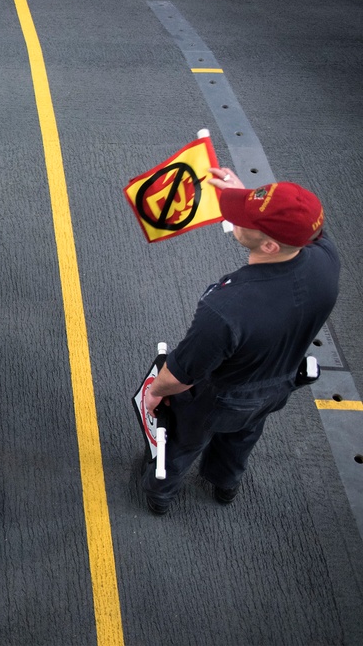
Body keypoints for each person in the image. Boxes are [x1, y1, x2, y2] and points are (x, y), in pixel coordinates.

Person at [141, 168, 340, 514]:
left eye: (244, 218)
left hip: (219, 398)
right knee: (244, 434)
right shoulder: (326, 261)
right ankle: (226, 484)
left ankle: (160, 495)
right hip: (277, 385)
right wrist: (251, 200)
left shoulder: (226, 309)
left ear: (269, 246)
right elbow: (303, 226)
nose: (232, 214)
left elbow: (181, 375)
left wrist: (155, 393)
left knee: (182, 444)